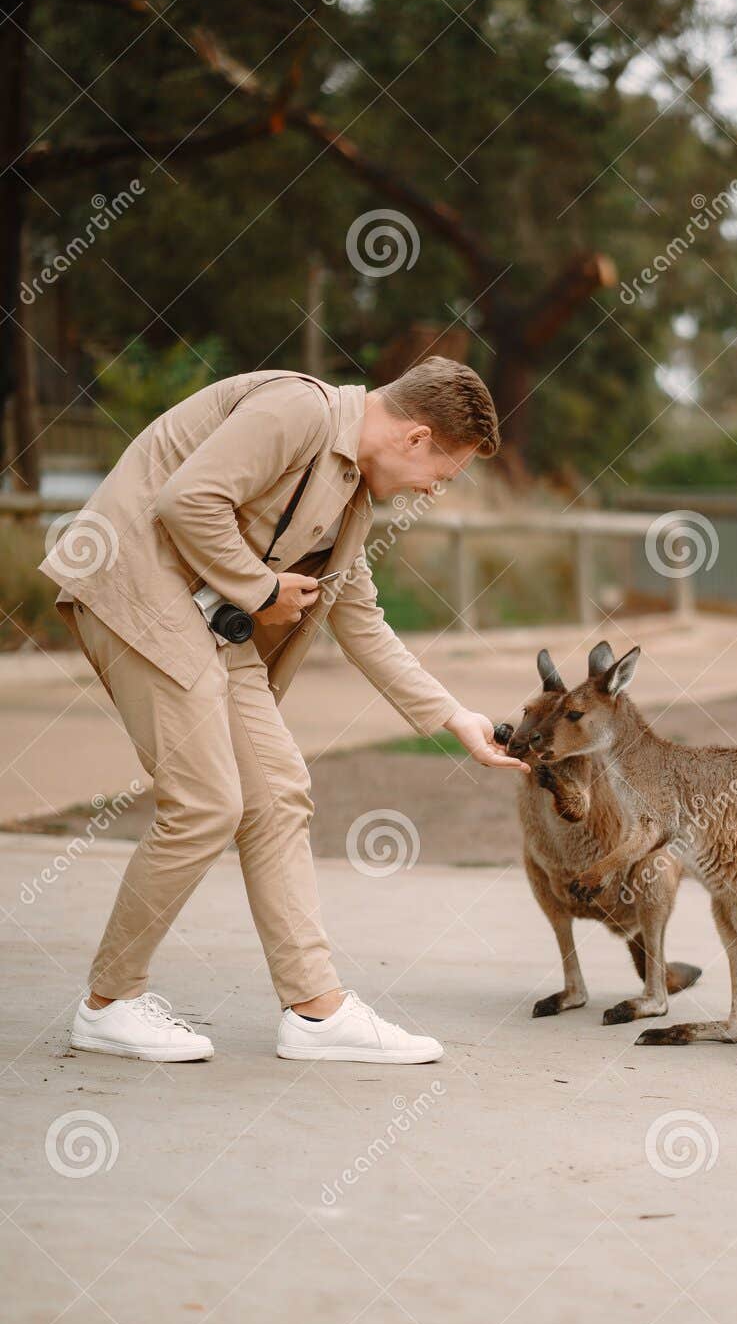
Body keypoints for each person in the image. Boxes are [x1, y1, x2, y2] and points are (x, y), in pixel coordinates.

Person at [39, 357, 527, 1067]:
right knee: (206, 802)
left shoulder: (353, 499)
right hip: (135, 589)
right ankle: (109, 1005)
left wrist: (455, 717)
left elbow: (359, 621)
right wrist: (261, 587)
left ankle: (316, 1012)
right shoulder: (298, 410)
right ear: (416, 437)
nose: (433, 489)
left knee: (277, 792)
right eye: (442, 474)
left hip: (208, 618)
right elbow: (187, 499)